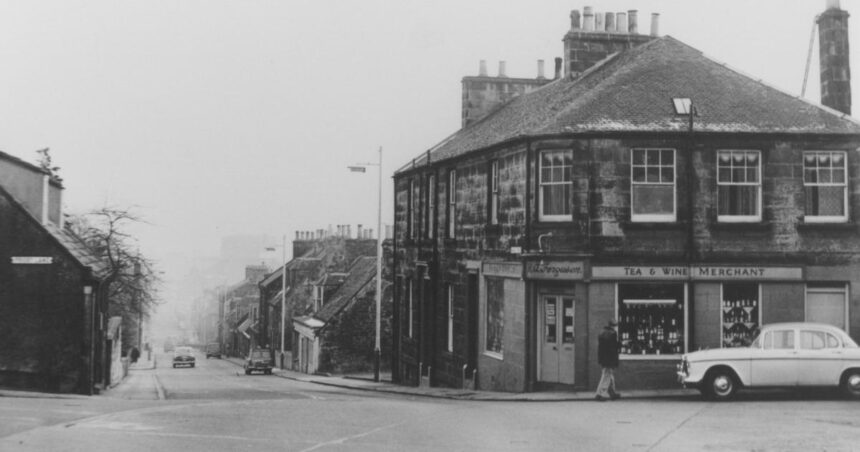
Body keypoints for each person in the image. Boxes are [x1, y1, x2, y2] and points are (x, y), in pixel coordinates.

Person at [595, 319, 621, 401]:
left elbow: (602, 347)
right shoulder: (613, 333)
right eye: (616, 326)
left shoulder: (602, 332)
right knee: (606, 376)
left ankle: (612, 393)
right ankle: (600, 394)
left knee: (609, 375)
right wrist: (619, 344)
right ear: (613, 326)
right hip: (609, 358)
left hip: (603, 358)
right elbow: (613, 347)